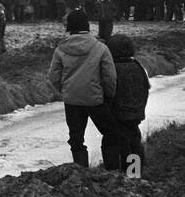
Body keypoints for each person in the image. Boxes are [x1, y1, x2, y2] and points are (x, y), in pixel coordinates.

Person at [47, 10, 117, 167]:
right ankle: (111, 171)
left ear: (69, 27)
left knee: (76, 139)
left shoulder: (60, 49)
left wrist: (65, 91)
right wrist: (108, 95)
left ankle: (81, 172)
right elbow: (110, 77)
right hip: (95, 99)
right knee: (111, 133)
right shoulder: (100, 48)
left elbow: (53, 76)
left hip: (72, 100)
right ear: (87, 25)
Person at [103, 34, 149, 175]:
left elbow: (108, 91)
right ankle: (134, 175)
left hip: (117, 114)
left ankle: (112, 175)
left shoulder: (112, 68)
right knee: (134, 143)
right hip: (135, 113)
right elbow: (145, 88)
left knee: (111, 143)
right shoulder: (138, 66)